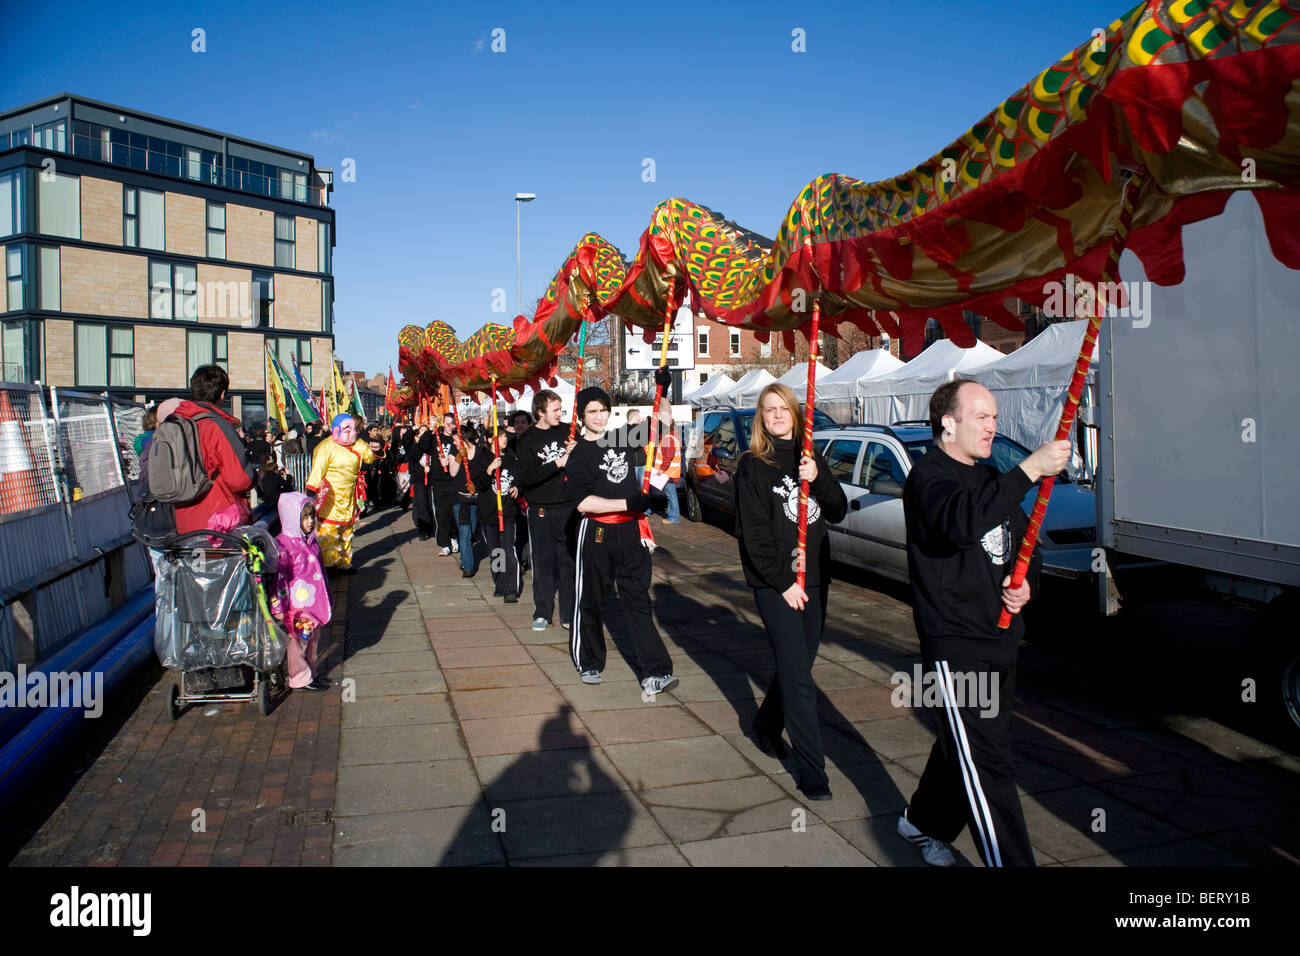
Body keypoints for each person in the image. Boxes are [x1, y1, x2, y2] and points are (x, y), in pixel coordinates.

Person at [896, 379, 1071, 868]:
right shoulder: (929, 479)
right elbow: (959, 523)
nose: (993, 425)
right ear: (947, 423)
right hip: (957, 645)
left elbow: (1022, 542)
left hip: (1000, 640)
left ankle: (922, 823)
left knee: (967, 750)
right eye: (981, 416)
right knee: (988, 765)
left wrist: (1026, 584)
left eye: (994, 416)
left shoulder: (988, 476)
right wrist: (1030, 468)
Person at [735, 383, 847, 801]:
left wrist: (818, 480)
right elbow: (753, 534)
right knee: (800, 678)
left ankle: (765, 726)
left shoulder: (809, 457)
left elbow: (836, 511)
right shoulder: (752, 465)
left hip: (816, 580)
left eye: (784, 409)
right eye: (769, 410)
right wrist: (783, 584)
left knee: (798, 667)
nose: (777, 415)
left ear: (796, 413)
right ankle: (812, 770)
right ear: (761, 419)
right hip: (776, 584)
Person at [566, 386, 678, 696]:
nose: (599, 416)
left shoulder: (620, 437)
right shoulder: (578, 454)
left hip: (632, 533)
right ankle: (588, 660)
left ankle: (656, 671)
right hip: (597, 532)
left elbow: (664, 424)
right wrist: (628, 504)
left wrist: (664, 389)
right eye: (592, 411)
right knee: (591, 599)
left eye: (603, 409)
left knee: (638, 599)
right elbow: (584, 503)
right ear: (582, 416)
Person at [170, 365, 257, 535]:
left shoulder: (175, 424)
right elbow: (240, 479)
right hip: (218, 522)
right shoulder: (217, 427)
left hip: (182, 520)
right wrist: (254, 474)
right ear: (222, 393)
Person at [516, 390, 577, 631]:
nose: (559, 414)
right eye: (555, 410)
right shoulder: (528, 439)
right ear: (540, 412)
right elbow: (527, 477)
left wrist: (577, 449)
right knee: (542, 561)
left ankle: (568, 613)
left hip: (568, 506)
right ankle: (542, 611)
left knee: (568, 562)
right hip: (541, 507)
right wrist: (557, 463)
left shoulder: (568, 430)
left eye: (561, 409)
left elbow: (585, 460)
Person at [269, 491, 332, 691]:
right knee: (298, 643)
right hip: (298, 606)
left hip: (314, 603)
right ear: (292, 518)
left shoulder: (311, 542)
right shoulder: (284, 545)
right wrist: (278, 604)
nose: (310, 521)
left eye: (312, 516)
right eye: (304, 517)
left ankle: (311, 672)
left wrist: (327, 595)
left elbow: (321, 571)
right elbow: (279, 577)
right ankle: (299, 676)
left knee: (313, 640)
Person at [305, 413, 377, 573]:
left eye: (353, 429)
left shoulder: (357, 444)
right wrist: (310, 493)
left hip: (350, 496)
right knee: (328, 532)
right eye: (347, 429)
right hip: (330, 497)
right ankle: (330, 564)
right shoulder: (325, 447)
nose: (352, 433)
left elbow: (369, 456)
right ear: (336, 430)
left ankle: (344, 563)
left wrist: (376, 449)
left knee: (347, 532)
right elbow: (317, 471)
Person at [470, 430, 521, 602]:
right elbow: (478, 485)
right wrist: (490, 469)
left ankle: (510, 589)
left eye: (505, 436)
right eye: (501, 436)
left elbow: (520, 478)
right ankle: (499, 583)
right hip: (488, 514)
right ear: (490, 440)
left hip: (507, 513)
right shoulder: (482, 458)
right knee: (495, 552)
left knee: (508, 550)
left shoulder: (512, 458)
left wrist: (517, 487)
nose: (505, 439)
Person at [428, 413, 460, 556]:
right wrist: (430, 428)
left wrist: (452, 462)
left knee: (454, 513)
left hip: (454, 481)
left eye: (452, 424)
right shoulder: (436, 438)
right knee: (441, 513)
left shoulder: (458, 439)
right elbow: (422, 445)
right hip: (439, 481)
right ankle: (444, 542)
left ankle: (454, 537)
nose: (450, 426)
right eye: (447, 424)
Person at [453, 424, 479, 577]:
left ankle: (465, 555)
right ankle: (468, 566)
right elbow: (452, 472)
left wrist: (476, 484)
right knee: (464, 532)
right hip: (460, 498)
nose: (454, 443)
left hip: (476, 498)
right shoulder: (454, 450)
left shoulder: (480, 450)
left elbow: (485, 471)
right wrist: (458, 457)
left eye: (456, 440)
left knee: (473, 531)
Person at [649, 403, 682, 523]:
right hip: (670, 472)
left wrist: (661, 469)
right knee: (671, 495)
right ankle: (674, 517)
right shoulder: (671, 436)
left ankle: (673, 518)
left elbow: (668, 456)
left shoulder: (668, 438)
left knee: (670, 496)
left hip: (668, 472)